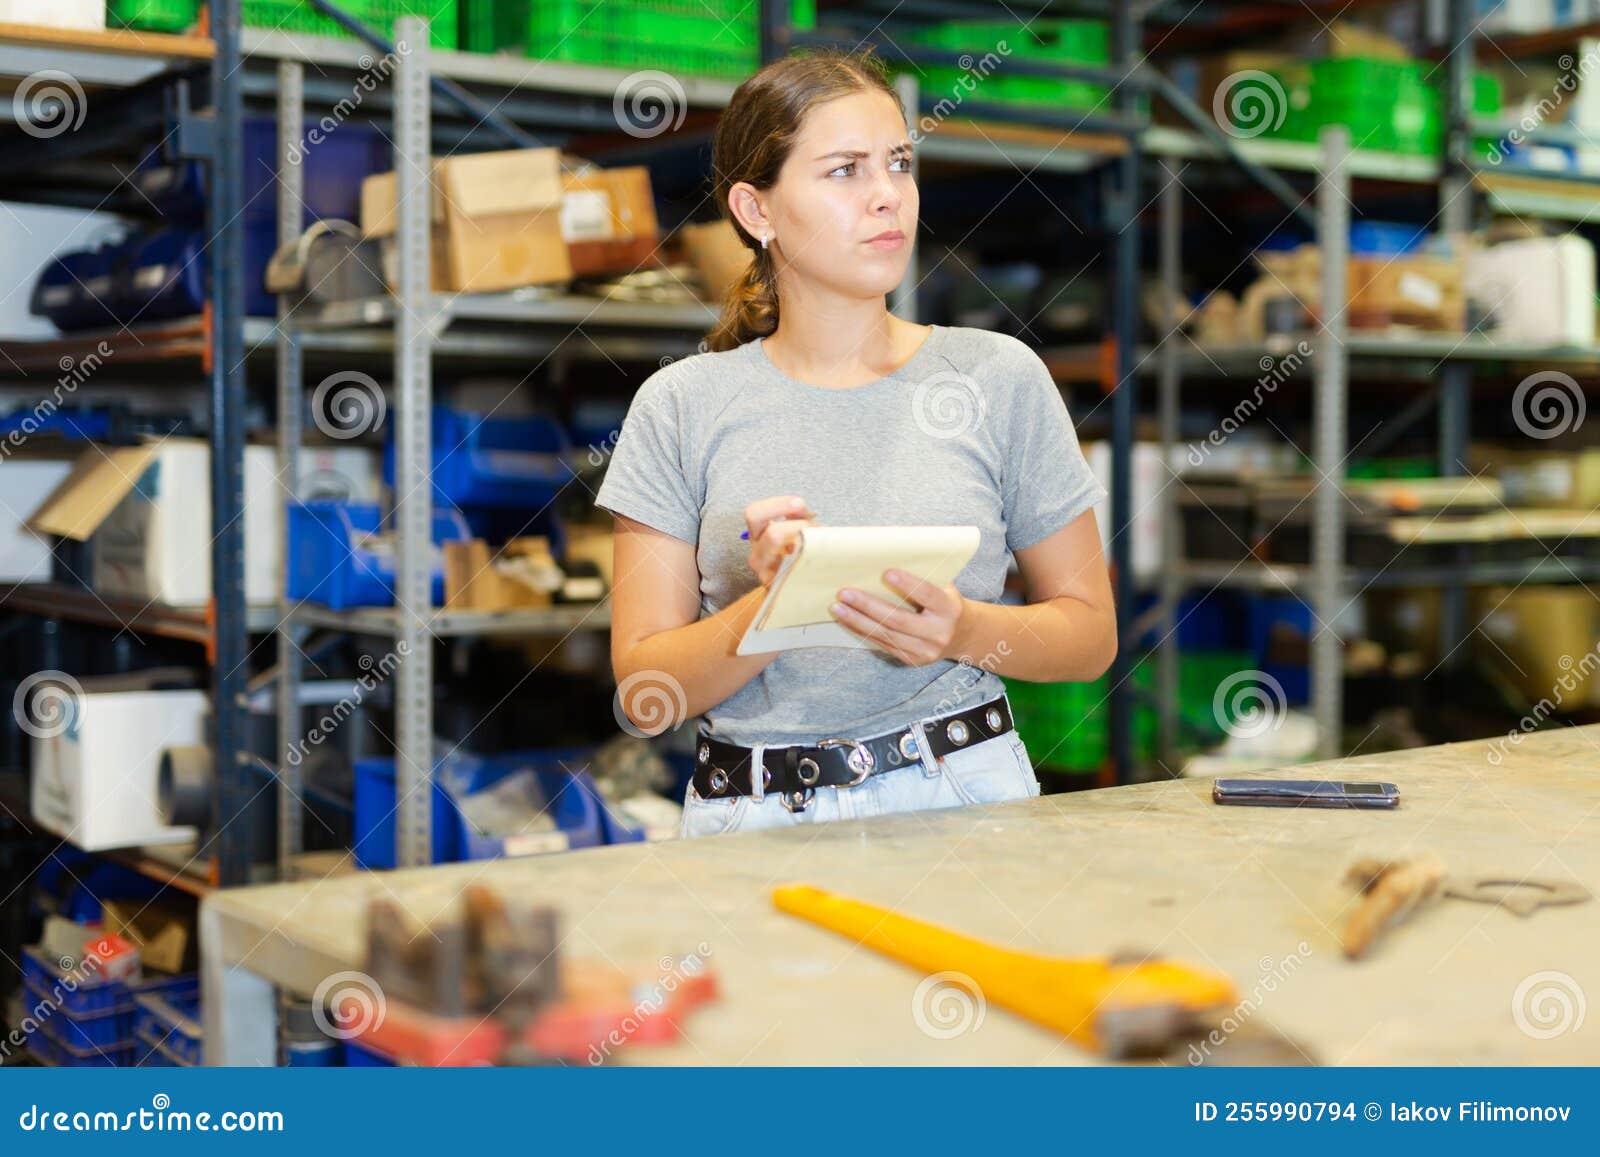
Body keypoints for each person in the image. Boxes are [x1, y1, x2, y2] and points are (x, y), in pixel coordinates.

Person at [595, 48, 1115, 839]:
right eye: (844, 170)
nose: (888, 198)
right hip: (755, 813)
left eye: (898, 163)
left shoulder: (995, 375)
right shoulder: (680, 405)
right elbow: (644, 693)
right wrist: (777, 609)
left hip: (965, 795)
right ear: (756, 210)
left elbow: (1090, 636)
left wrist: (966, 628)